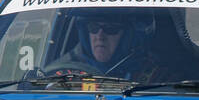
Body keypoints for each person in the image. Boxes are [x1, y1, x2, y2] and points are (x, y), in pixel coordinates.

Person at [44, 10, 172, 84]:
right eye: (93, 28)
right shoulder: (60, 72)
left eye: (111, 29)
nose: (100, 36)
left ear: (129, 37)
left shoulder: (160, 80)